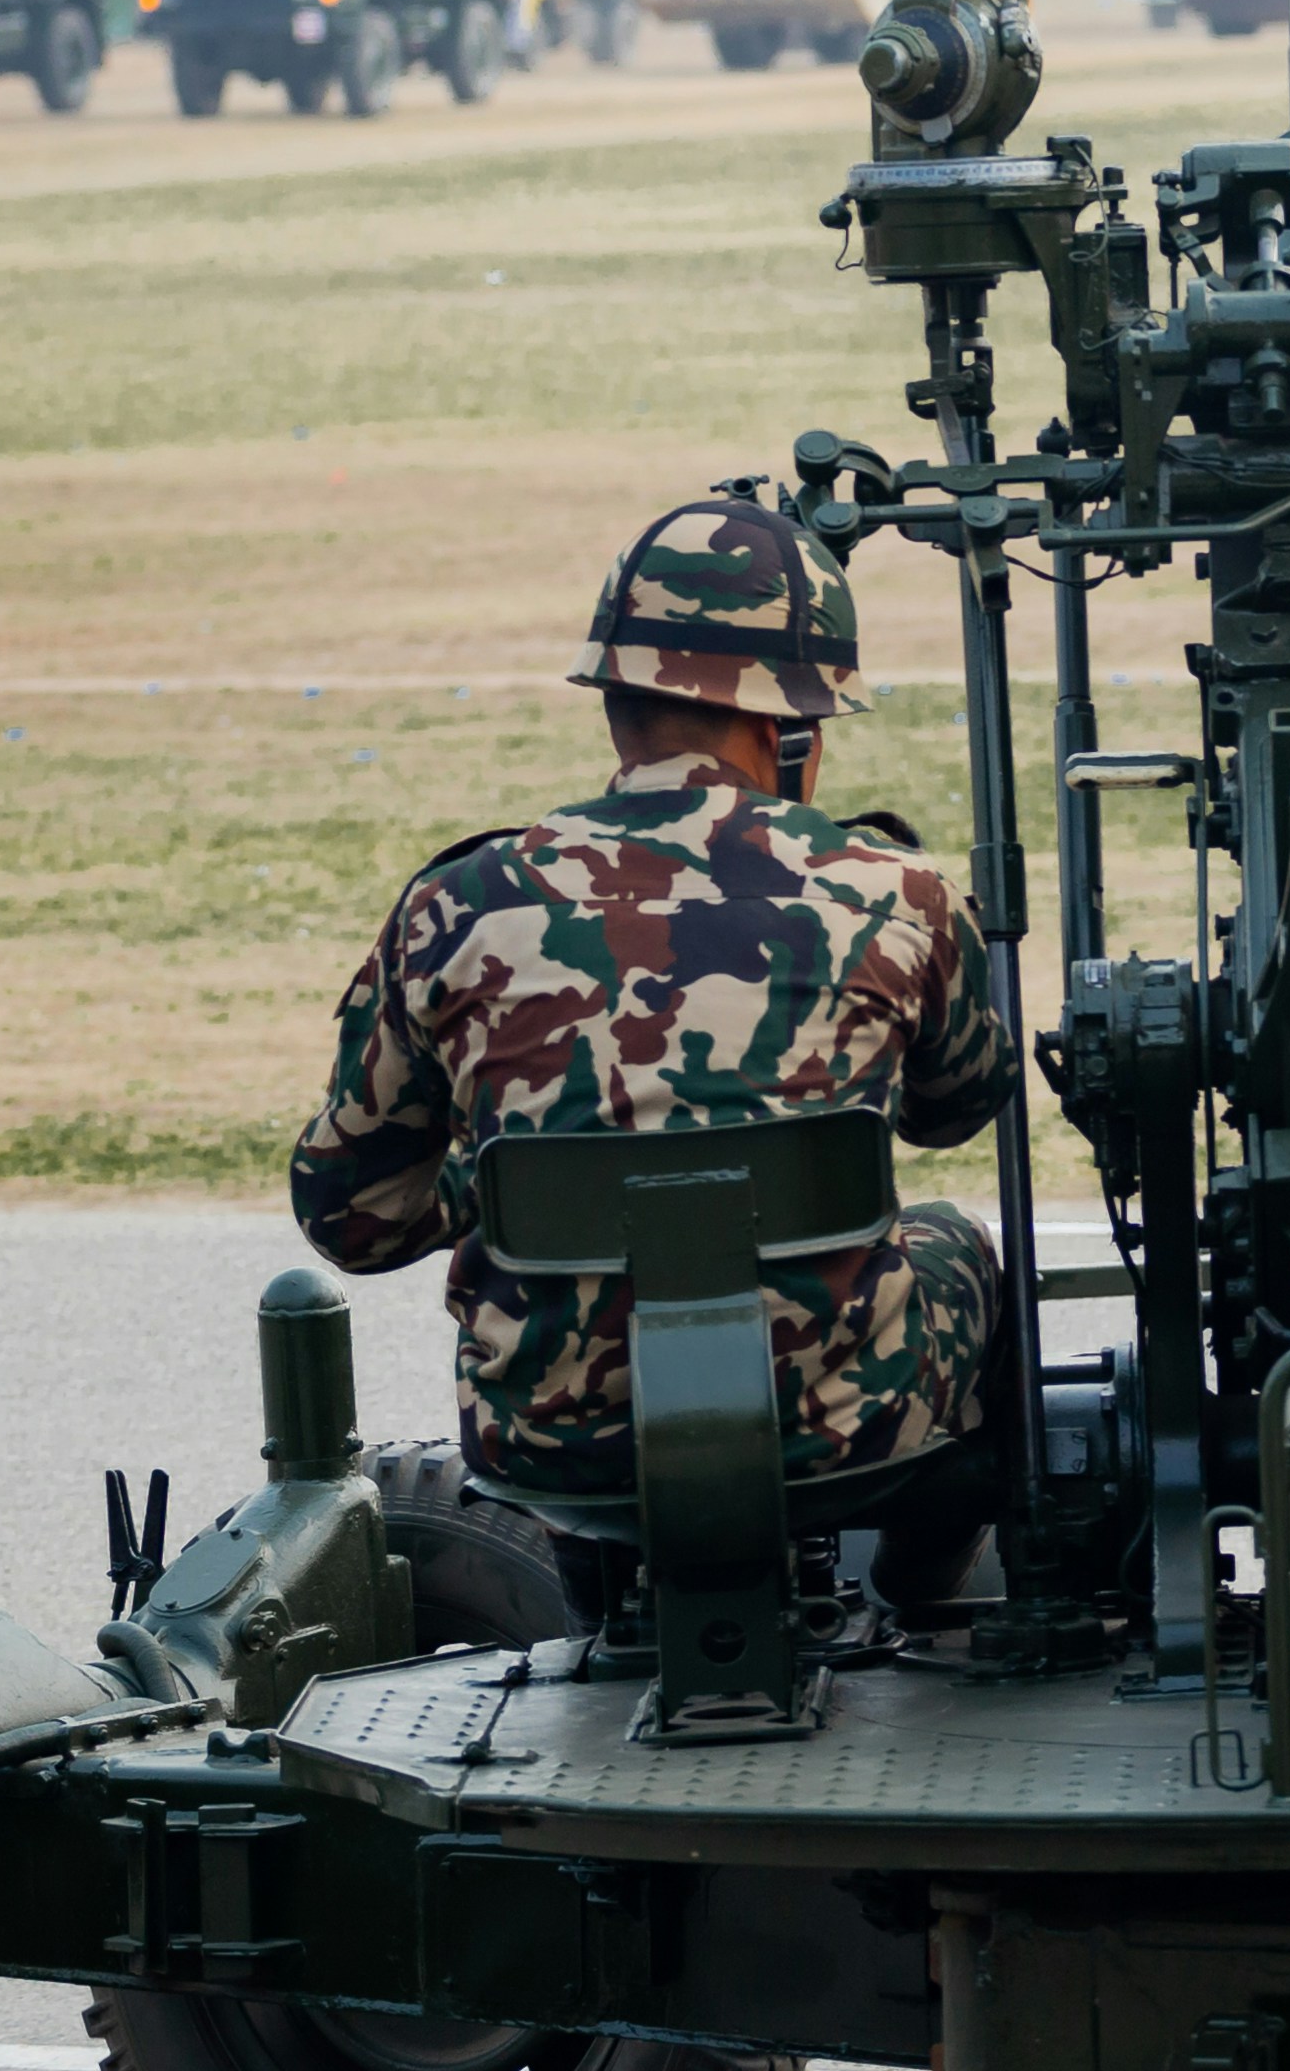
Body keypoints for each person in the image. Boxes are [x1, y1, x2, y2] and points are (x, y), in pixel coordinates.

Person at [289, 488, 1010, 1557]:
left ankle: (601, 1590)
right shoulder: (896, 892)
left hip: (551, 1442)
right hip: (849, 1432)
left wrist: (515, 1163)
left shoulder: (458, 904)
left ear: (614, 698)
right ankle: (930, 1579)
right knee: (956, 1241)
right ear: (789, 718)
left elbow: (353, 1218)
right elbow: (956, 1108)